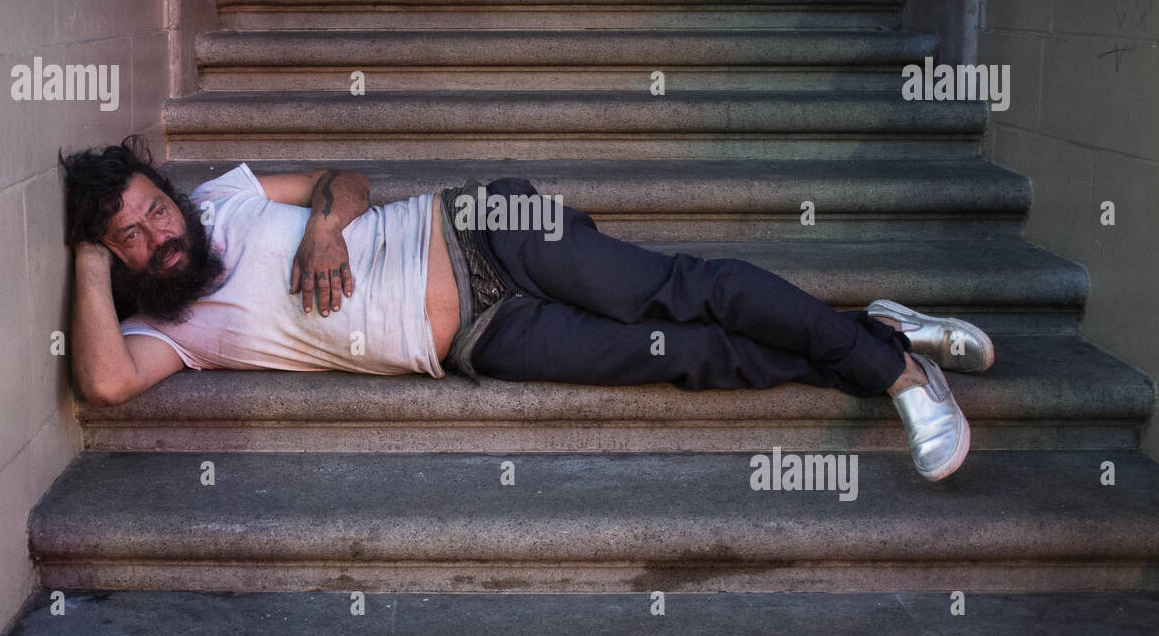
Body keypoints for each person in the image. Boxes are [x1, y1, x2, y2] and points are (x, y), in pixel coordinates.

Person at [61, 135, 993, 482]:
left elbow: (347, 177)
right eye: (130, 236)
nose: (158, 233)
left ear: (174, 193)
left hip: (483, 229)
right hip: (481, 336)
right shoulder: (162, 329)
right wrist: (88, 258)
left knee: (674, 289)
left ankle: (900, 373)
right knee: (693, 354)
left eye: (155, 208)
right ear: (115, 257)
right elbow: (103, 381)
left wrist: (324, 228)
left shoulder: (227, 195)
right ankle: (879, 333)